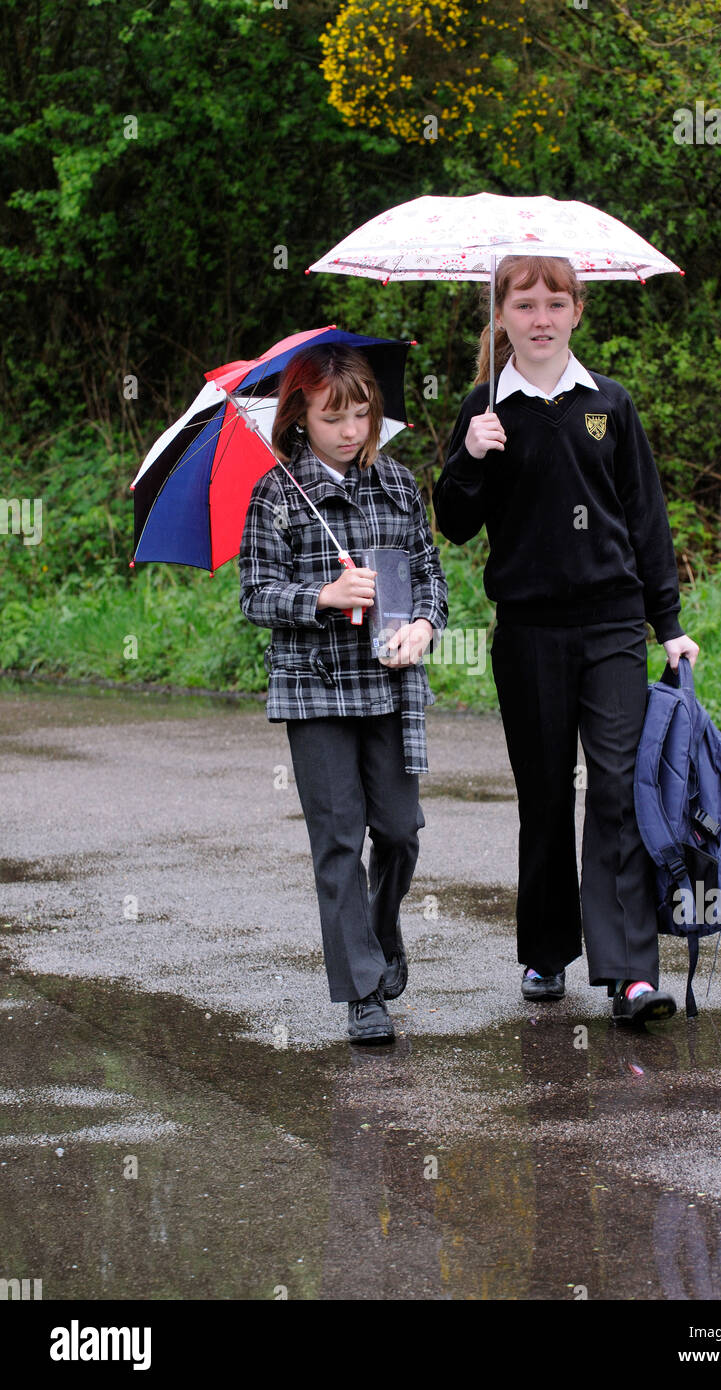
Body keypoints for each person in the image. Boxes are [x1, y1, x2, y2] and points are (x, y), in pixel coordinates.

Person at [432, 256, 699, 1026]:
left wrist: (669, 626)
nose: (540, 317)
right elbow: (453, 521)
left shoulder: (607, 405)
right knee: (544, 795)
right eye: (525, 304)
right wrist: (470, 456)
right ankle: (546, 950)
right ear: (503, 315)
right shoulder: (485, 409)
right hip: (528, 631)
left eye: (555, 303)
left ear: (577, 311)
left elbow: (645, 520)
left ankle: (627, 974)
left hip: (612, 624)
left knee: (617, 788)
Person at [239, 344, 447, 1043]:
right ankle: (362, 992)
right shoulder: (276, 493)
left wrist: (424, 623)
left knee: (398, 831)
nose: (351, 429)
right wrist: (322, 596)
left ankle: (382, 927)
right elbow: (256, 596)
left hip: (390, 688)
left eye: (362, 413)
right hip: (315, 692)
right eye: (334, 417)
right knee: (337, 841)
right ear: (301, 418)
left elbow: (430, 575)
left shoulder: (397, 482)